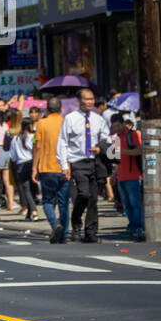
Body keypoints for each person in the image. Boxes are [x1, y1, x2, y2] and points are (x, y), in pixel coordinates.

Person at [59, 88, 112, 243]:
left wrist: (100, 148)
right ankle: (76, 225)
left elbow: (107, 137)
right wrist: (64, 164)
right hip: (77, 161)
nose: (90, 102)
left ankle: (91, 232)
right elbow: (63, 142)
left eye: (92, 99)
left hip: (95, 162)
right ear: (79, 101)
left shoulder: (98, 119)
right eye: (86, 99)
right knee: (83, 194)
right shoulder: (70, 118)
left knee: (93, 199)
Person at [33, 97, 70, 242]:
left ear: (47, 109)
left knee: (48, 201)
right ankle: (64, 234)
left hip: (46, 167)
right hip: (64, 167)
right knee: (64, 202)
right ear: (61, 109)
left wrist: (34, 167)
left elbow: (37, 146)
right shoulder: (66, 122)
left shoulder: (42, 123)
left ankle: (55, 225)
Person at [113, 116, 145, 240]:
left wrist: (122, 151)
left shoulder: (133, 134)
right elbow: (116, 158)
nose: (115, 129)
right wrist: (114, 174)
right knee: (127, 205)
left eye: (117, 126)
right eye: (113, 126)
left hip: (134, 175)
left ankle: (139, 227)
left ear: (123, 124)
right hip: (121, 176)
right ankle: (132, 226)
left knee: (135, 203)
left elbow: (139, 150)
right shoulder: (116, 138)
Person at [10, 118, 37, 221]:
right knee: (32, 188)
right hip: (32, 163)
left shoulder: (15, 138)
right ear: (30, 126)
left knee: (26, 189)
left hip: (21, 165)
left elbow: (12, 156)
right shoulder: (33, 137)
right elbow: (36, 149)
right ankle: (30, 212)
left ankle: (33, 211)